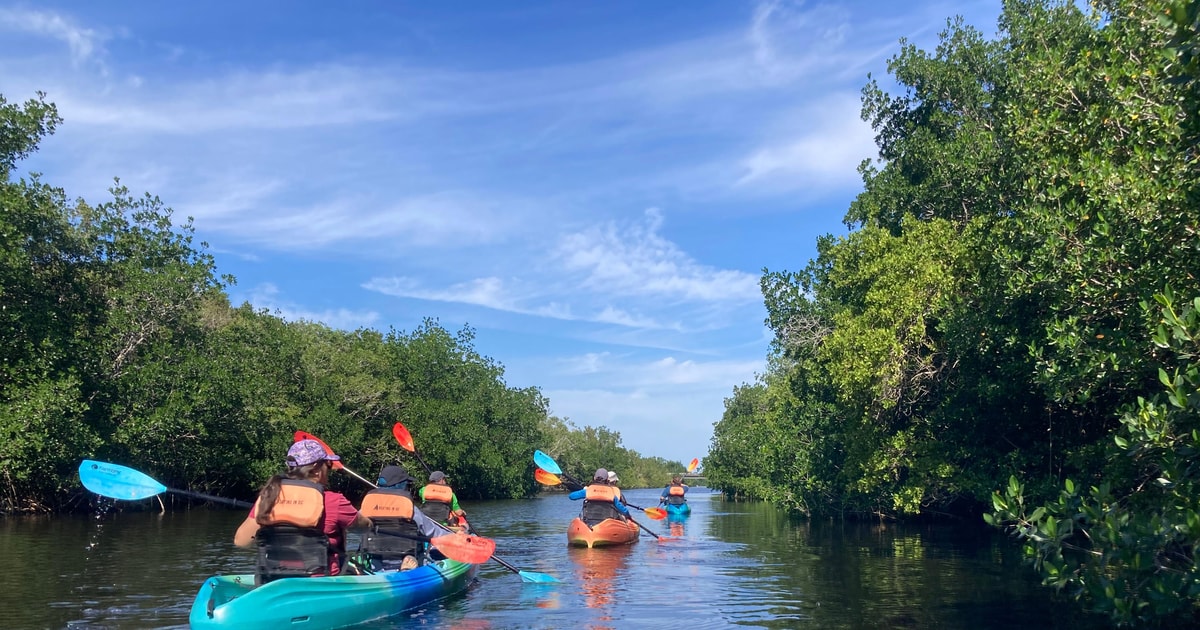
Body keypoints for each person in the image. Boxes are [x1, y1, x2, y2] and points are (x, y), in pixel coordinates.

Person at [234, 439, 372, 583]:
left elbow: (241, 541)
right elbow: (364, 528)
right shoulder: (334, 501)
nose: (329, 470)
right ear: (317, 469)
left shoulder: (269, 498)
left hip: (274, 578)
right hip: (321, 582)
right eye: (328, 465)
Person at [358, 464, 447, 571]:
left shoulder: (365, 509)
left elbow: (356, 529)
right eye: (407, 485)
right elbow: (434, 533)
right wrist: (456, 537)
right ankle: (405, 569)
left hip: (377, 564)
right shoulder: (411, 509)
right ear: (401, 485)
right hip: (410, 560)